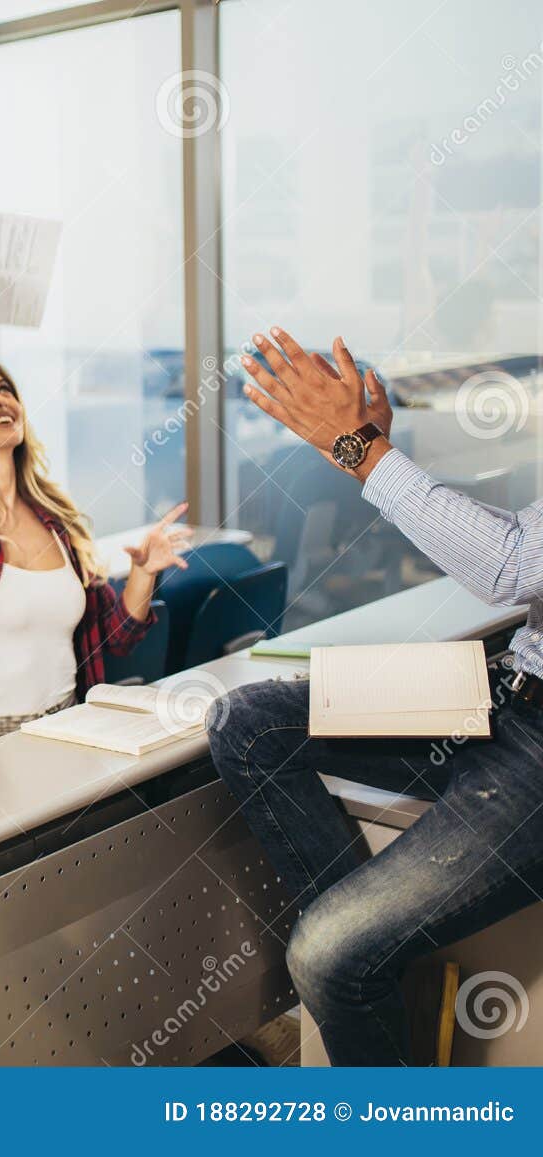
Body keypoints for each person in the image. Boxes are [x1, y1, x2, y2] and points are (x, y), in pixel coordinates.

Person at [209, 328, 543, 1066]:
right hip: (507, 695)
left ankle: (353, 982)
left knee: (326, 955)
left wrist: (363, 451)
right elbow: (522, 539)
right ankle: (369, 964)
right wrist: (369, 450)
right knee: (248, 721)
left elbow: (509, 567)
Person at [0, 355, 189, 759]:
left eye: (4, 389)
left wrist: (143, 573)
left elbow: (117, 638)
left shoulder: (55, 520)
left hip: (69, 721)